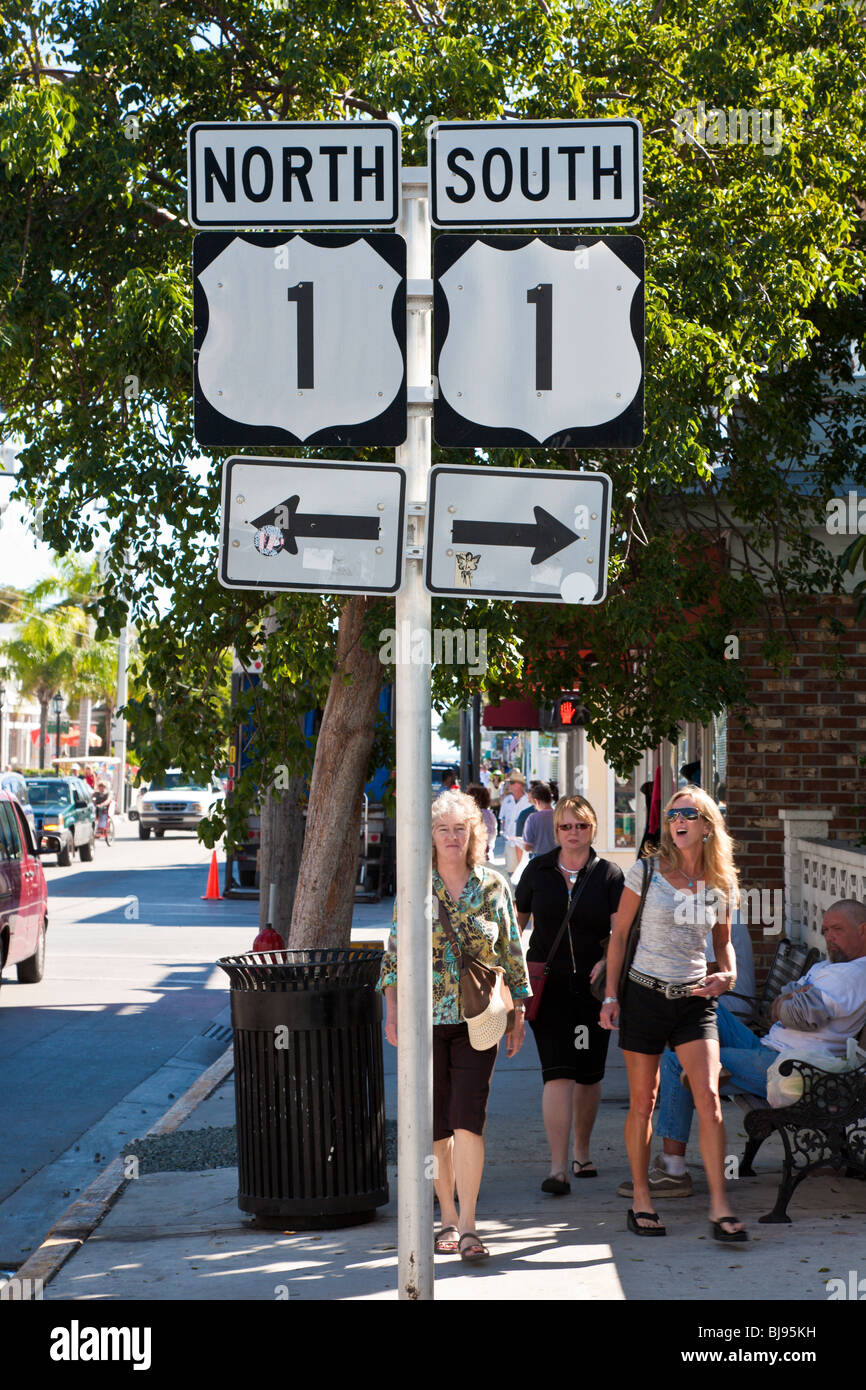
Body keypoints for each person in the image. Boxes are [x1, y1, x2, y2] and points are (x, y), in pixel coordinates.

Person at [621, 900, 866, 1196]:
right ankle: (714, 1065)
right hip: (769, 1049)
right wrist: (791, 999)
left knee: (678, 1062)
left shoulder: (856, 973)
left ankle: (672, 1170)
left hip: (792, 1069)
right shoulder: (831, 966)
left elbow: (800, 1014)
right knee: (701, 1002)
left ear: (863, 930)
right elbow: (787, 997)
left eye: (837, 930)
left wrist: (790, 1000)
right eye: (826, 930)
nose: (829, 937)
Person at [378, 788, 530, 1261]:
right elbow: (394, 955)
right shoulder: (416, 887)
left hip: (479, 1019)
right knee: (436, 1125)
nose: (450, 837)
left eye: (458, 829)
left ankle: (468, 1225)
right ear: (432, 836)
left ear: (472, 835)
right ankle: (444, 1214)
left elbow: (511, 952)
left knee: (469, 1118)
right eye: (442, 829)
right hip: (425, 1020)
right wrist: (393, 1010)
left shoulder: (493, 887)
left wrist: (519, 1010)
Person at [600, 786, 748, 1241]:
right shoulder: (644, 872)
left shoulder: (719, 882)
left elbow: (722, 942)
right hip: (644, 994)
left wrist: (729, 974)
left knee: (709, 1097)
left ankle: (720, 1205)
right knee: (643, 1101)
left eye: (688, 814)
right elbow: (619, 935)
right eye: (672, 815)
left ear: (707, 824)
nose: (677, 821)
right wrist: (610, 996)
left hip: (694, 999)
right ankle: (642, 1197)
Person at [515, 795, 624, 1193]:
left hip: (592, 990)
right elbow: (515, 927)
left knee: (589, 1075)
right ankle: (557, 1168)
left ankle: (582, 1150)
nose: (573, 833)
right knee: (558, 1073)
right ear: (556, 831)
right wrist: (512, 976)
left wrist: (609, 964)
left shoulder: (609, 875)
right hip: (549, 987)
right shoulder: (538, 871)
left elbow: (620, 933)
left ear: (592, 829)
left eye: (581, 826)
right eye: (566, 826)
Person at [500, 770, 531, 876]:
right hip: (510, 841)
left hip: (525, 842)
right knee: (511, 872)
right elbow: (503, 819)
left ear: (519, 785)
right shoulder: (506, 800)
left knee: (525, 871)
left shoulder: (528, 800)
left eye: (512, 783)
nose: (510, 785)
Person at [521, 782, 557, 859]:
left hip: (539, 859)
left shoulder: (532, 818)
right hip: (559, 858)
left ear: (537, 801)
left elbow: (527, 846)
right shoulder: (560, 815)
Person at [466, 782, 497, 858]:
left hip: (479, 857)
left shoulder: (478, 814)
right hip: (487, 854)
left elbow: (484, 837)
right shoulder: (489, 814)